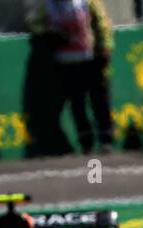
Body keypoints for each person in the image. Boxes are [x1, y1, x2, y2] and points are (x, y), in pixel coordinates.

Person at [29, 0, 115, 153]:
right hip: (66, 61)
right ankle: (85, 140)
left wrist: (105, 47)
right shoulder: (49, 5)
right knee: (77, 103)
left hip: (91, 59)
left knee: (100, 100)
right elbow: (34, 23)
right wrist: (49, 32)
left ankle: (106, 139)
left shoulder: (87, 2)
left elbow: (102, 24)